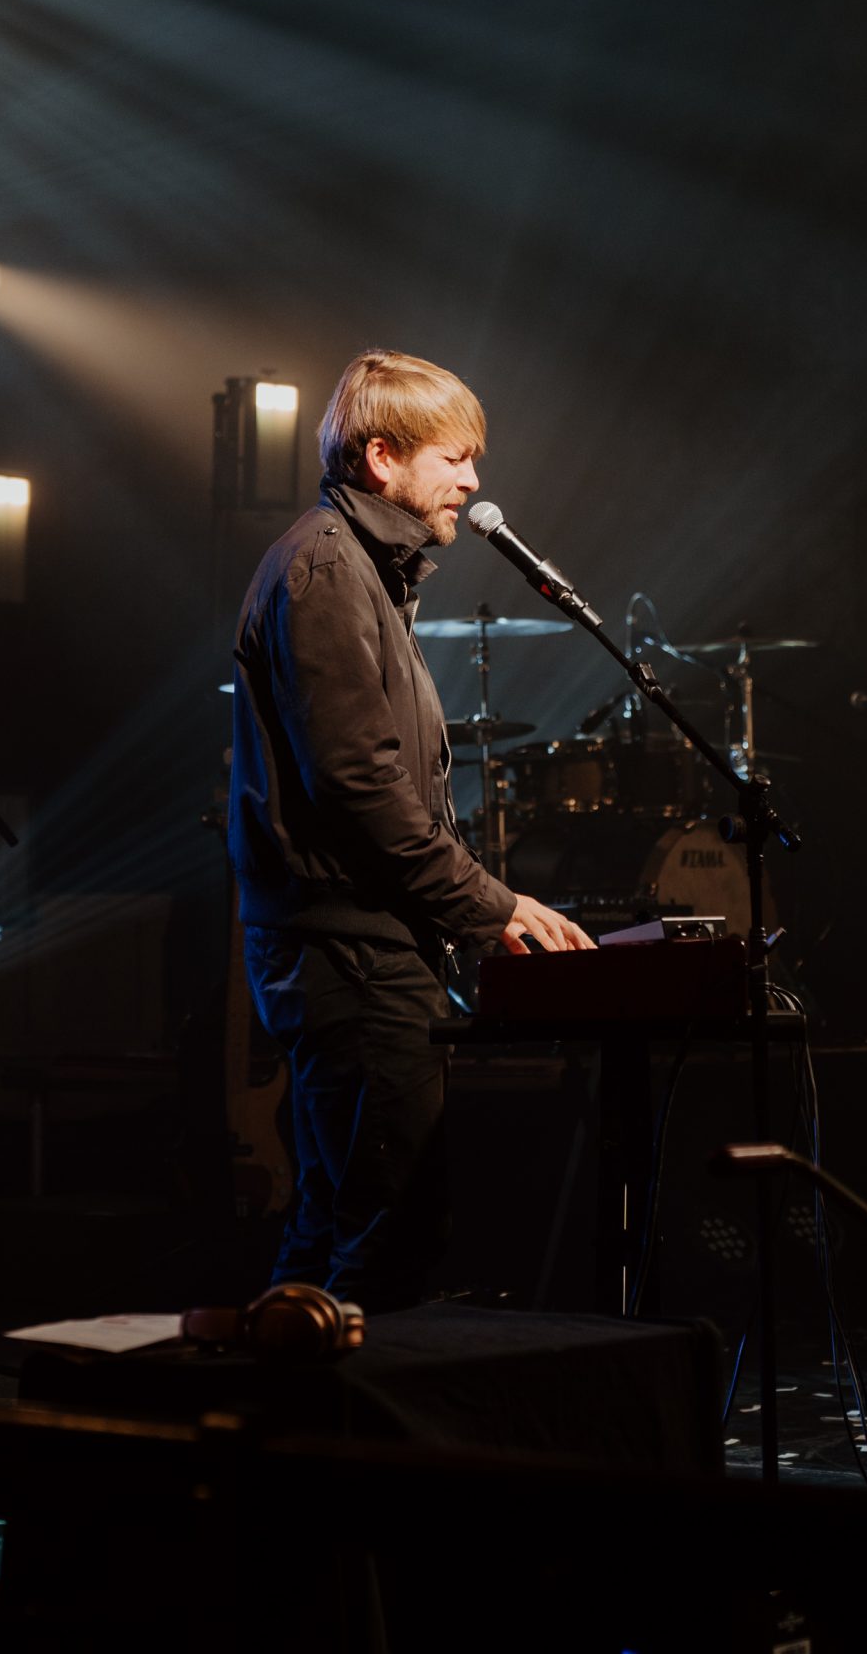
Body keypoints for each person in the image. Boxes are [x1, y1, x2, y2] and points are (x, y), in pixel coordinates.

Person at [230, 347, 592, 1311]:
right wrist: (493, 905)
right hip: (347, 952)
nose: (474, 481)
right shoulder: (325, 571)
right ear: (380, 457)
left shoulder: (357, 570)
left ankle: (275, 1430)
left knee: (332, 1222)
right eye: (454, 458)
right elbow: (360, 791)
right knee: (388, 1228)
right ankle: (348, 1446)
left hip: (349, 945)